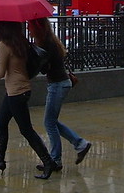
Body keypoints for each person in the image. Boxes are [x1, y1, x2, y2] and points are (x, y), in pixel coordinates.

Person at [0, 21, 57, 179]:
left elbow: (0, 73)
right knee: (1, 122)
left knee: (26, 129)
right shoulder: (22, 42)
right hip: (19, 90)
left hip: (16, 92)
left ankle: (48, 162)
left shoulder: (4, 45)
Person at [28, 17, 91, 172]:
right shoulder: (50, 41)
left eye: (30, 27)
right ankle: (80, 144)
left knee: (49, 122)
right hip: (61, 83)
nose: (29, 29)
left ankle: (56, 160)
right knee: (52, 121)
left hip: (57, 84)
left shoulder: (45, 44)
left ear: (38, 28)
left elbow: (42, 68)